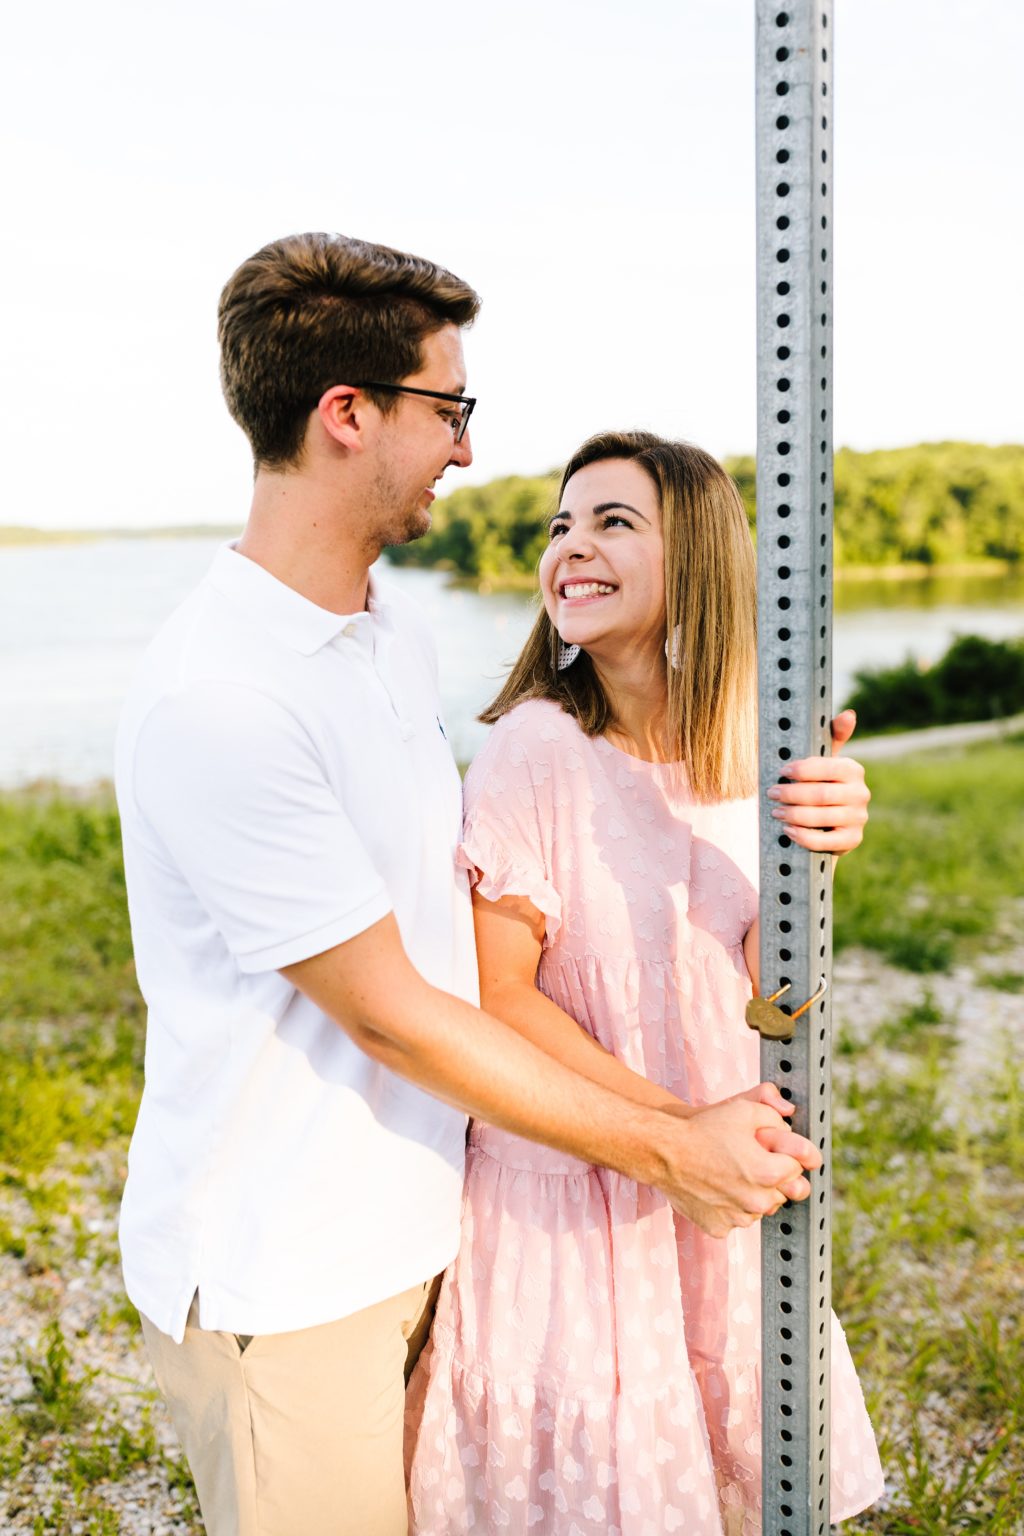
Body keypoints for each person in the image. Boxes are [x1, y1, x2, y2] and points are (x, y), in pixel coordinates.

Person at [114, 235, 829, 1536]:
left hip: (428, 1232)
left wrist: (807, 832)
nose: (466, 448)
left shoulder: (386, 636)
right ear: (348, 414)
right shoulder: (221, 698)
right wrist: (676, 1143)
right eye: (449, 409)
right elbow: (394, 1012)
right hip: (292, 1279)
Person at [406, 431, 885, 1535]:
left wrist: (820, 858)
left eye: (613, 522)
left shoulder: (753, 744)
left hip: (714, 1163)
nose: (570, 547)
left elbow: (764, 993)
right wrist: (677, 1134)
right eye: (561, 525)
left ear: (697, 557)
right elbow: (499, 997)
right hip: (582, 1175)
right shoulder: (535, 747)